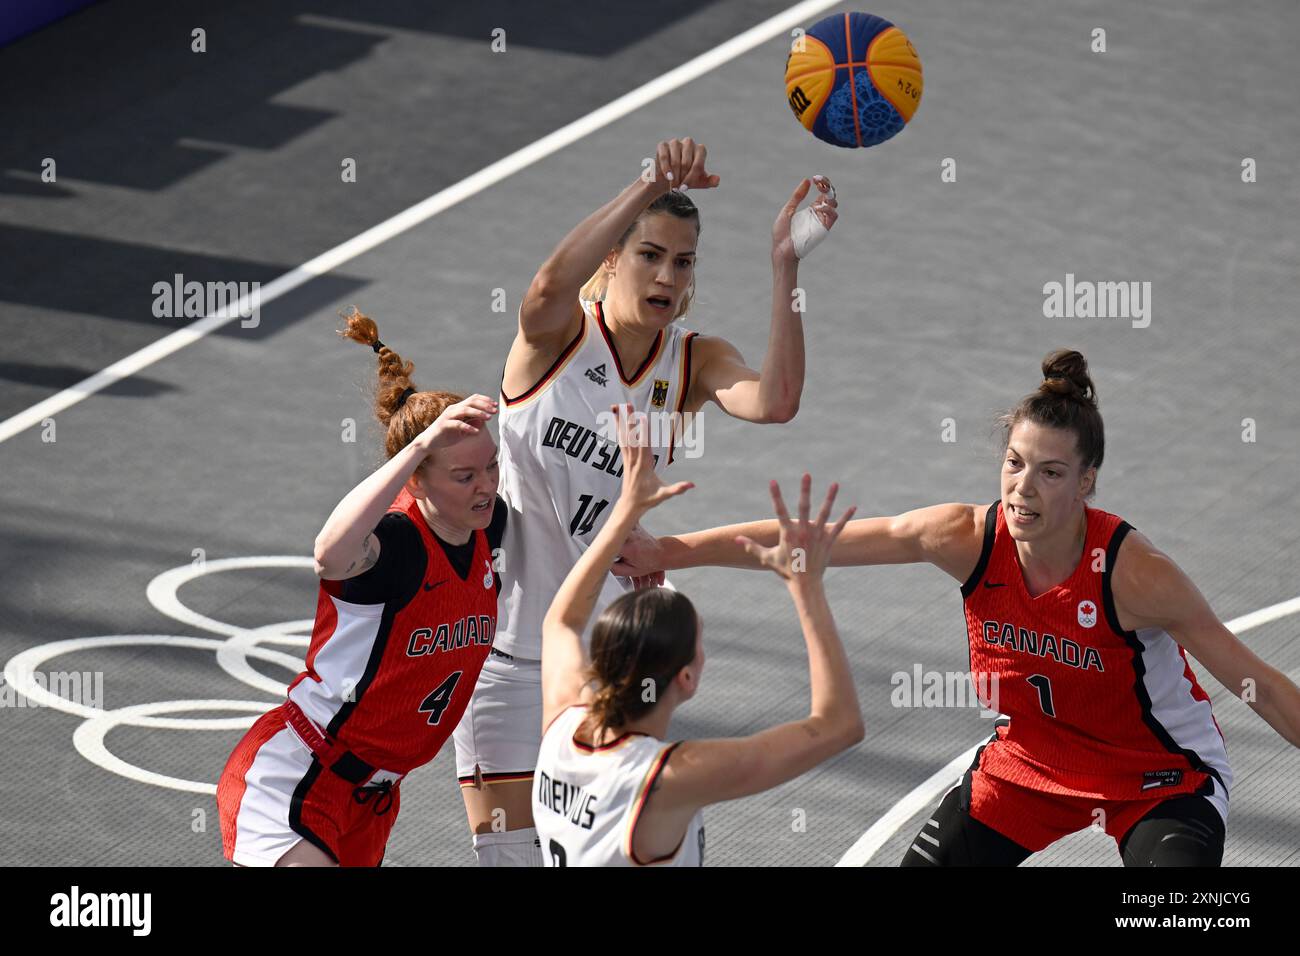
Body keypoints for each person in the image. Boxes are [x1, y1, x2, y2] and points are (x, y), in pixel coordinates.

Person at [616, 349, 1300, 866]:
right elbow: (803, 542)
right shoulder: (967, 538)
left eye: (1051, 473)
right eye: (1014, 463)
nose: (1023, 488)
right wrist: (664, 553)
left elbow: (1259, 685)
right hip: (1029, 766)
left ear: (1087, 482)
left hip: (1155, 778)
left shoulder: (1134, 575)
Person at [454, 136, 842, 865]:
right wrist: (644, 184)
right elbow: (542, 288)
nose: (668, 274)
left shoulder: (690, 361)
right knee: (514, 856)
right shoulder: (559, 338)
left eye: (684, 261)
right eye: (650, 254)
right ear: (611, 259)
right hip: (506, 656)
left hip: (608, 660)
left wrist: (785, 267)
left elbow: (777, 401)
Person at [217, 311, 505, 866]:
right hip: (297, 777)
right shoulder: (394, 545)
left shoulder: (491, 529)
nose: (485, 487)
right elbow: (329, 552)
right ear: (417, 477)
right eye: (464, 476)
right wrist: (417, 449)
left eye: (490, 468)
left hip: (372, 801)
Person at [532, 405, 863, 865]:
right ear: (686, 678)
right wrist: (806, 588)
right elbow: (839, 726)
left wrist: (625, 509)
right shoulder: (669, 778)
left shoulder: (564, 723)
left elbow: (560, 622)